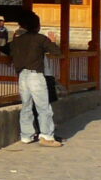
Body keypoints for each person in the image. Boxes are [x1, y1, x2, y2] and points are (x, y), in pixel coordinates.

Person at [4, 13, 63, 146]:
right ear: (37, 26)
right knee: (43, 107)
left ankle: (26, 136)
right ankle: (47, 136)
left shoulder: (17, 41)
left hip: (22, 75)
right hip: (35, 75)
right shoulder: (40, 39)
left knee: (26, 106)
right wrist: (52, 41)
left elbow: (6, 49)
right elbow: (56, 52)